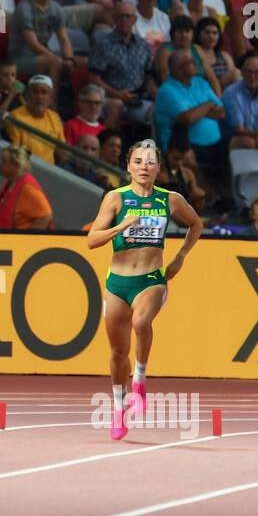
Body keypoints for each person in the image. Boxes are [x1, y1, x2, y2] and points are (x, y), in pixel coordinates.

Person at [86, 138, 203, 441]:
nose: (144, 167)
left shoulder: (170, 199)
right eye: (138, 161)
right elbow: (92, 240)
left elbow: (196, 224)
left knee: (141, 322)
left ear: (158, 169)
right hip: (117, 282)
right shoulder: (115, 198)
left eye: (150, 162)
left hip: (152, 279)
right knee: (116, 352)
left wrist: (180, 257)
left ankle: (139, 378)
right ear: (128, 166)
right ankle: (119, 407)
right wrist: (121, 226)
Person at [5, 74, 69, 166]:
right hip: (24, 168)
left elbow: (62, 152)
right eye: (35, 92)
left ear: (50, 98)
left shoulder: (54, 117)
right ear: (27, 95)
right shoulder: (15, 117)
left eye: (44, 92)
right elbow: (16, 154)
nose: (39, 97)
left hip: (49, 171)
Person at [0, 144, 53, 229]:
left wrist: (28, 239)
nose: (0, 164)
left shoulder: (28, 189)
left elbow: (46, 215)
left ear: (16, 165)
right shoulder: (9, 185)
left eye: (4, 161)